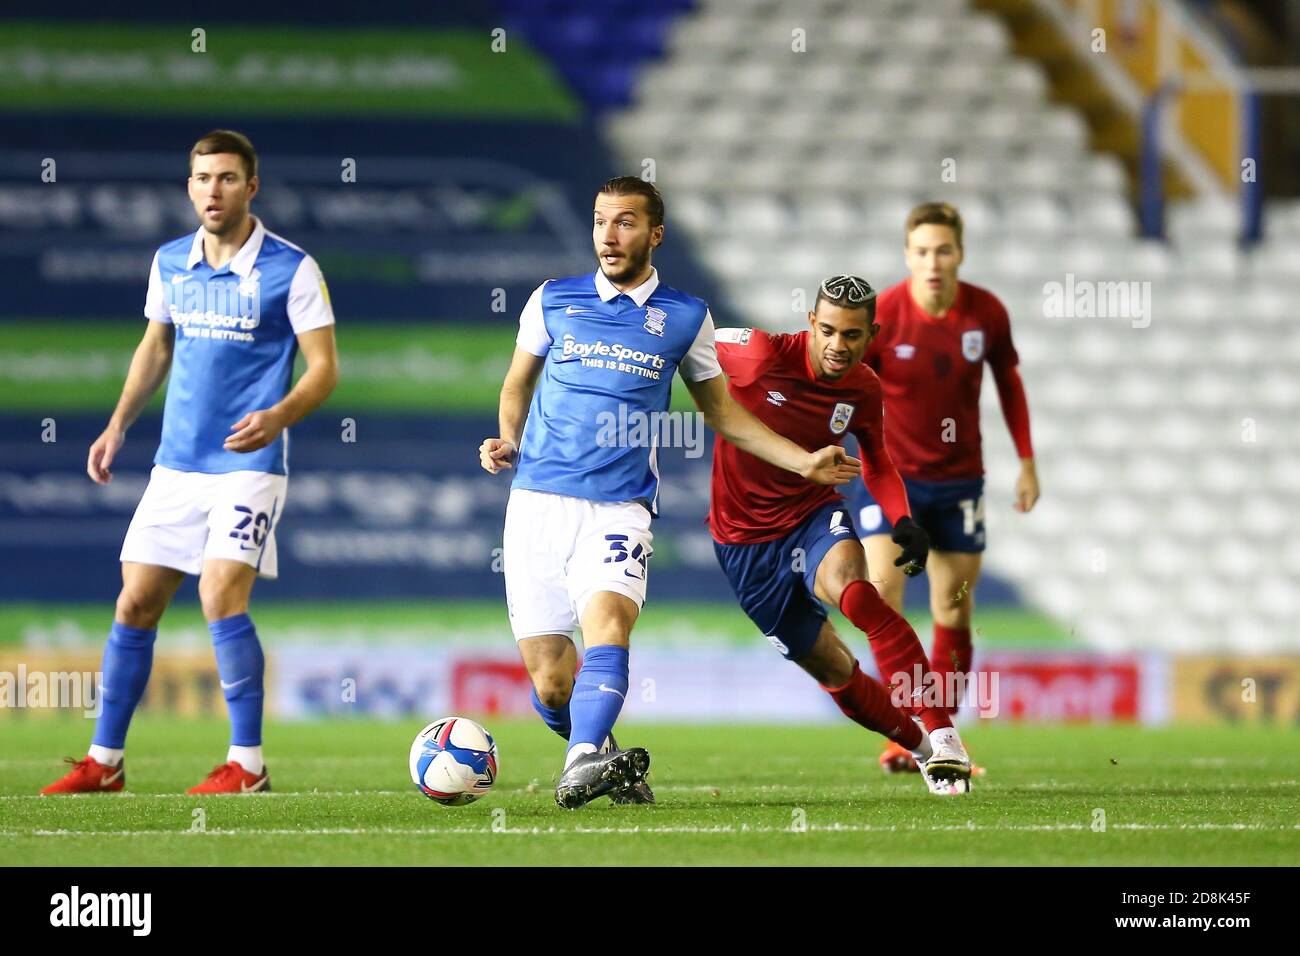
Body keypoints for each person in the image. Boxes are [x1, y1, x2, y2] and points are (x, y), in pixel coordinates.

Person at [479, 177, 858, 808]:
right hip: (537, 503)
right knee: (550, 682)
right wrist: (506, 438)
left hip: (619, 507)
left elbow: (723, 413)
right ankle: (601, 755)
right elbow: (516, 384)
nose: (609, 234)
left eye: (626, 222)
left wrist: (802, 463)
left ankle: (580, 763)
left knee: (608, 625)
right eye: (601, 220)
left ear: (655, 234)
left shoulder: (686, 316)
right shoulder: (552, 299)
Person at [42, 130, 339, 795]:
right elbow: (156, 346)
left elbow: (323, 371)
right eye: (202, 178)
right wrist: (118, 424)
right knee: (136, 600)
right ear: (189, 186)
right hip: (176, 466)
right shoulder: (172, 262)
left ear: (251, 187)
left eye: (228, 178)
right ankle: (105, 762)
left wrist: (278, 415)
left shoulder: (293, 269)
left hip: (249, 466)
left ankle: (249, 765)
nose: (213, 189)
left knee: (217, 593)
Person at [710, 275, 972, 795]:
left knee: (860, 596)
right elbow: (684, 342)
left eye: (852, 335)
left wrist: (903, 522)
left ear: (870, 334)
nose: (837, 346)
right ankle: (919, 749)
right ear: (810, 323)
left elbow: (878, 464)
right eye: (827, 330)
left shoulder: (863, 388)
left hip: (812, 517)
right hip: (742, 541)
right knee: (835, 672)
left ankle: (943, 736)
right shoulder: (759, 353)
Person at [842, 203, 1038, 773]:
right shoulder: (885, 316)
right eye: (922, 251)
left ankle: (942, 734)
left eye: (943, 250)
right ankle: (909, 735)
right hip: (892, 483)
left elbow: (1010, 382)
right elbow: (849, 382)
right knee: (882, 596)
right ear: (908, 255)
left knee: (952, 607)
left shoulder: (986, 313)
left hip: (959, 485)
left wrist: (1027, 461)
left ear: (960, 253)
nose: (933, 262)